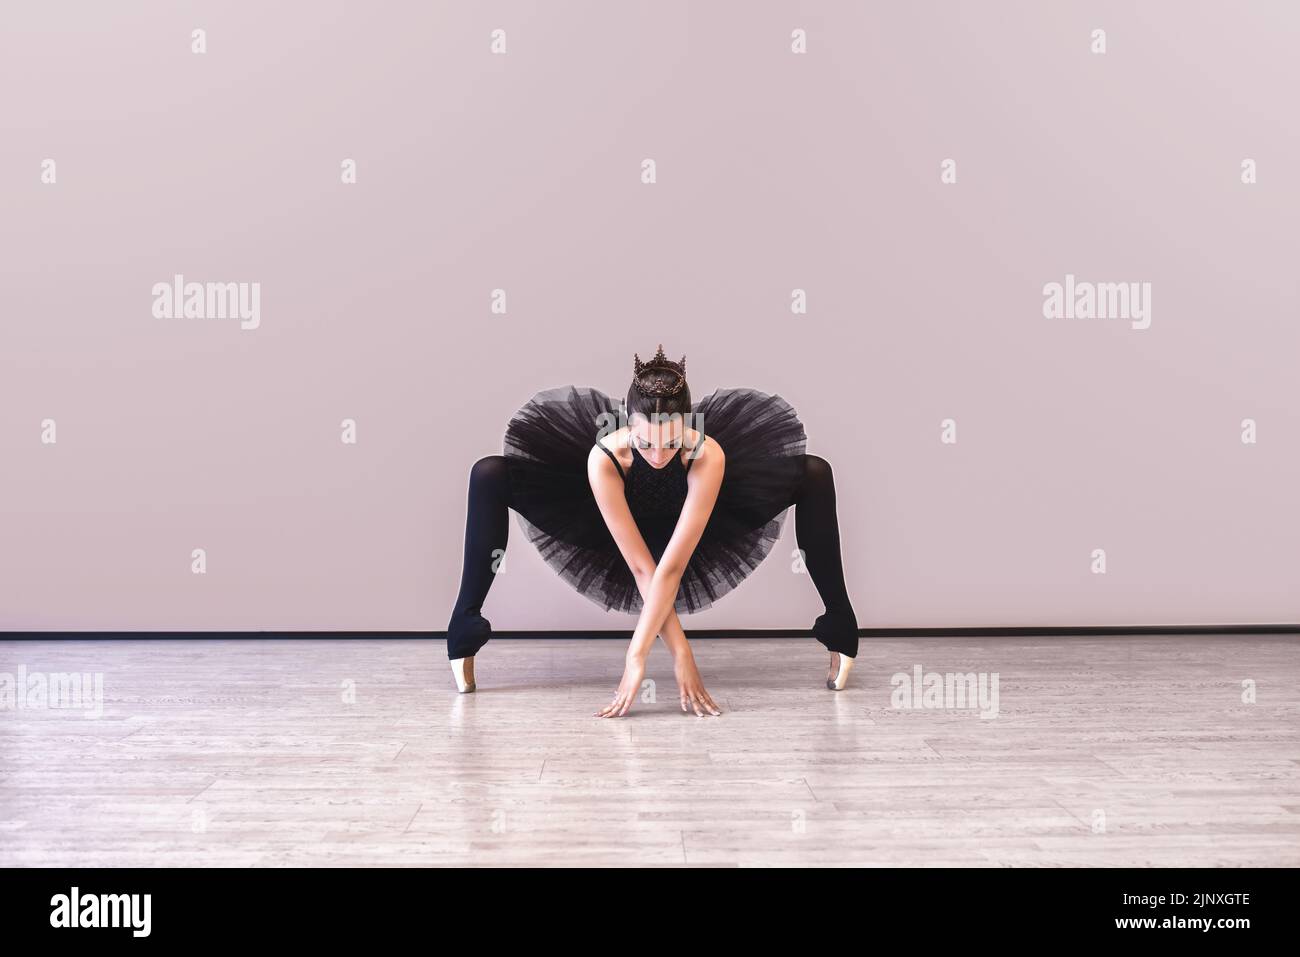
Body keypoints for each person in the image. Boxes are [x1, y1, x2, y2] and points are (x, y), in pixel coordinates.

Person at [445, 344, 860, 714]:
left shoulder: (706, 454)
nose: (659, 456)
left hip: (698, 522)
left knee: (813, 473)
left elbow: (671, 569)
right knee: (489, 474)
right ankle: (463, 629)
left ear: (689, 426)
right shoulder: (604, 457)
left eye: (671, 442)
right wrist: (650, 657)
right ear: (627, 424)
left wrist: (670, 655)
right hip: (610, 525)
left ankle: (841, 628)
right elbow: (644, 570)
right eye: (645, 444)